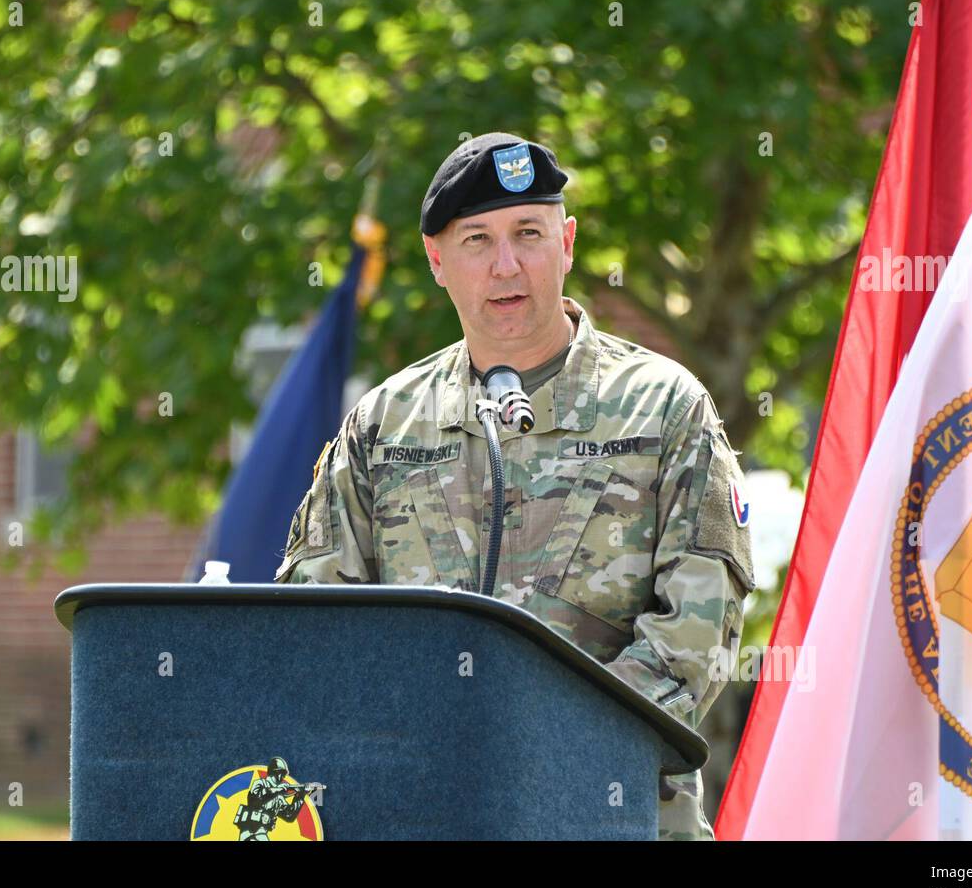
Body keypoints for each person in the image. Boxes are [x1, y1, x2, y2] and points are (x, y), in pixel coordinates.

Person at [275, 132, 755, 840]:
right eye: (477, 241)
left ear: (566, 243)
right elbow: (312, 627)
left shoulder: (664, 407)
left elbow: (698, 633)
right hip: (420, 813)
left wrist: (540, 748)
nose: (507, 266)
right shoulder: (384, 424)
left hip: (610, 813)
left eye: (528, 234)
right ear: (438, 261)